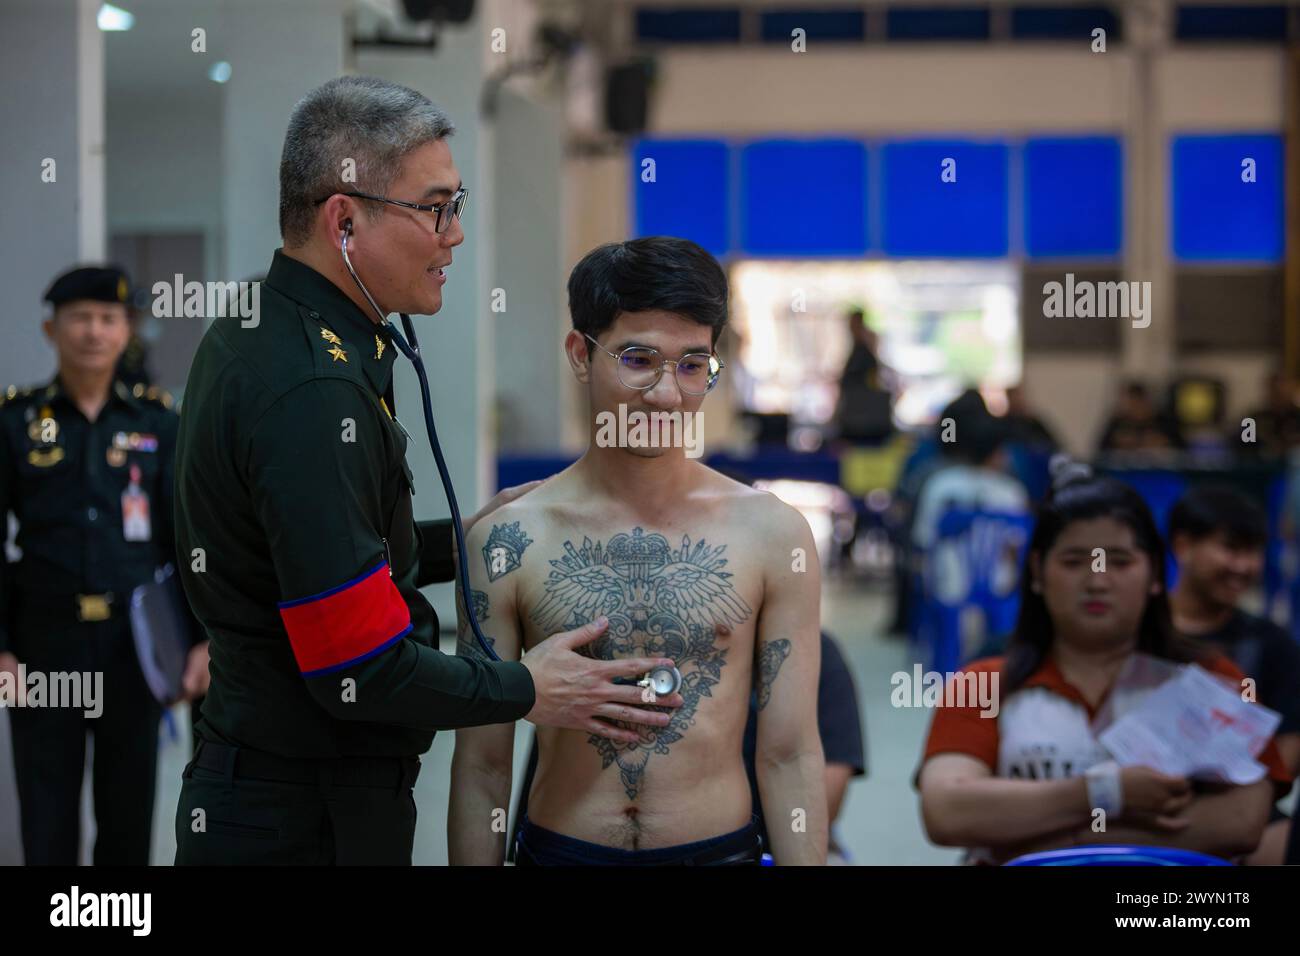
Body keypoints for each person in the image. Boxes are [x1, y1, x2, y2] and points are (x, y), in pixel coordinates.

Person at [171, 76, 682, 866]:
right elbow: (357, 667)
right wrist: (528, 688)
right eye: (435, 208)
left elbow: (334, 554)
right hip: (306, 812)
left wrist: (474, 536)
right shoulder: (313, 388)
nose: (455, 236)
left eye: (458, 205)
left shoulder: (272, 322)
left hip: (277, 778)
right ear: (344, 221)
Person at [448, 237, 827, 866]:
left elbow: (789, 753)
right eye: (638, 358)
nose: (666, 393)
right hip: (563, 852)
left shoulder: (771, 533)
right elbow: (484, 763)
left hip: (717, 852)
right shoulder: (512, 540)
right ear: (580, 353)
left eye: (691, 364)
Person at [917, 472, 1292, 864]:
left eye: (1121, 561)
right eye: (1074, 561)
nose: (1097, 581)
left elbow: (1242, 821)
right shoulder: (984, 682)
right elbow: (947, 810)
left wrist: (1046, 836)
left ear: (1154, 576)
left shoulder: (1210, 679)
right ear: (1038, 572)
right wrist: (1105, 792)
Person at [0, 265, 207, 865]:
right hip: (44, 644)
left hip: (132, 646)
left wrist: (200, 642)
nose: (94, 331)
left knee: (128, 814)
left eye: (109, 319)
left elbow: (184, 540)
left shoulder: (159, 423)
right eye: (81, 318)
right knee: (47, 814)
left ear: (126, 332)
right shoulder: (17, 422)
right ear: (51, 328)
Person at [1167, 485, 1300, 864]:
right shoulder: (1133, 631)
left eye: (1253, 552)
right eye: (1231, 549)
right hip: (1136, 802)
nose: (1244, 567)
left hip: (1241, 807)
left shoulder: (1271, 644)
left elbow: (1290, 746)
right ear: (1183, 545)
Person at [1096, 381, 1183, 453]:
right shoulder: (1117, 422)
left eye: (1137, 403)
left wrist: (1164, 444)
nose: (1134, 408)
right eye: (1130, 404)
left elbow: (1183, 452)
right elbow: (1100, 452)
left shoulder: (1164, 421)